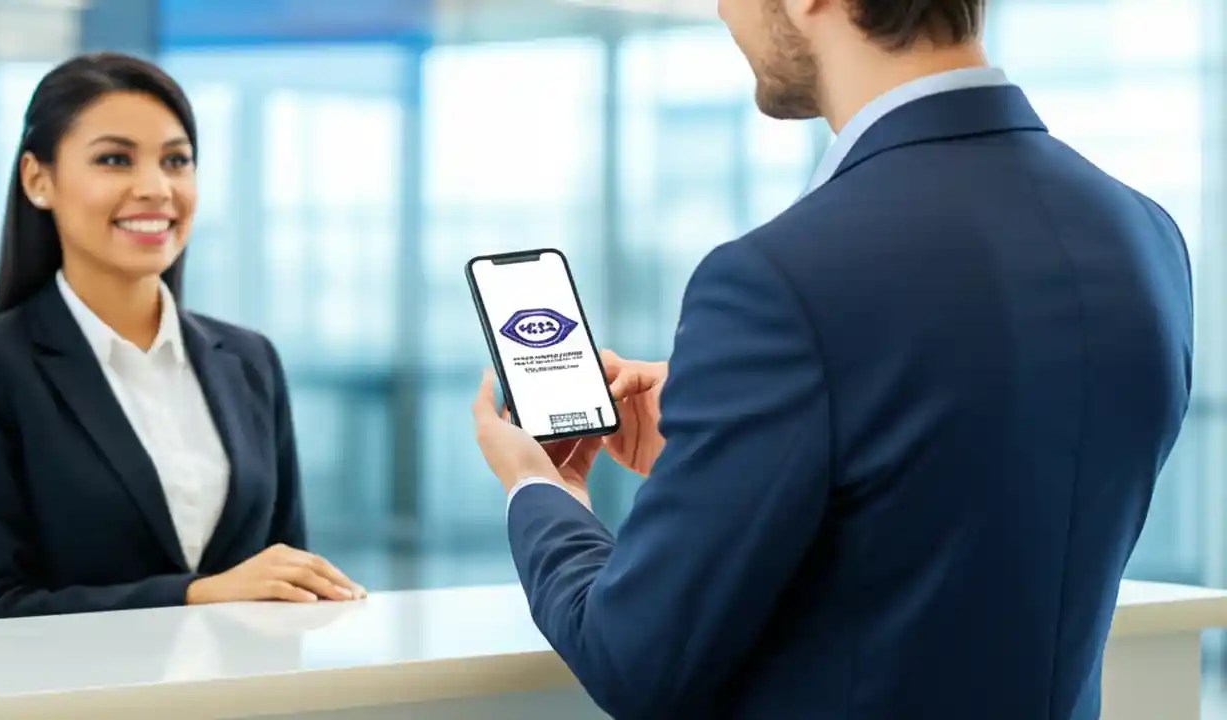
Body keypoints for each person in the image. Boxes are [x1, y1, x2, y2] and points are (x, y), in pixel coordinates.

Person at [472, 0, 1193, 717]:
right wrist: (744, 448)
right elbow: (967, 507)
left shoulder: (777, 282)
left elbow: (632, 659)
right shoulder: (1145, 239)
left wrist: (541, 491)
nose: (723, 11)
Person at [0, 53, 366, 622]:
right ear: (38, 180)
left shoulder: (248, 361)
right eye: (115, 159)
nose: (156, 188)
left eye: (176, 161)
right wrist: (193, 595)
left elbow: (283, 574)